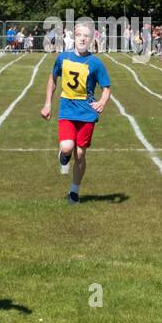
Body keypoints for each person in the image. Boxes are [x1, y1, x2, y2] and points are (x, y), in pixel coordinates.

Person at [40, 22, 111, 204]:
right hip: (67, 110)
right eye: (79, 34)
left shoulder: (96, 63)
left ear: (92, 39)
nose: (82, 38)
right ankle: (63, 155)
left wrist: (102, 102)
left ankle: (74, 191)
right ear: (73, 36)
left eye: (86, 36)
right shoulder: (63, 58)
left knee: (80, 154)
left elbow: (106, 88)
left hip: (87, 114)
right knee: (67, 147)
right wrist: (48, 103)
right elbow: (52, 78)